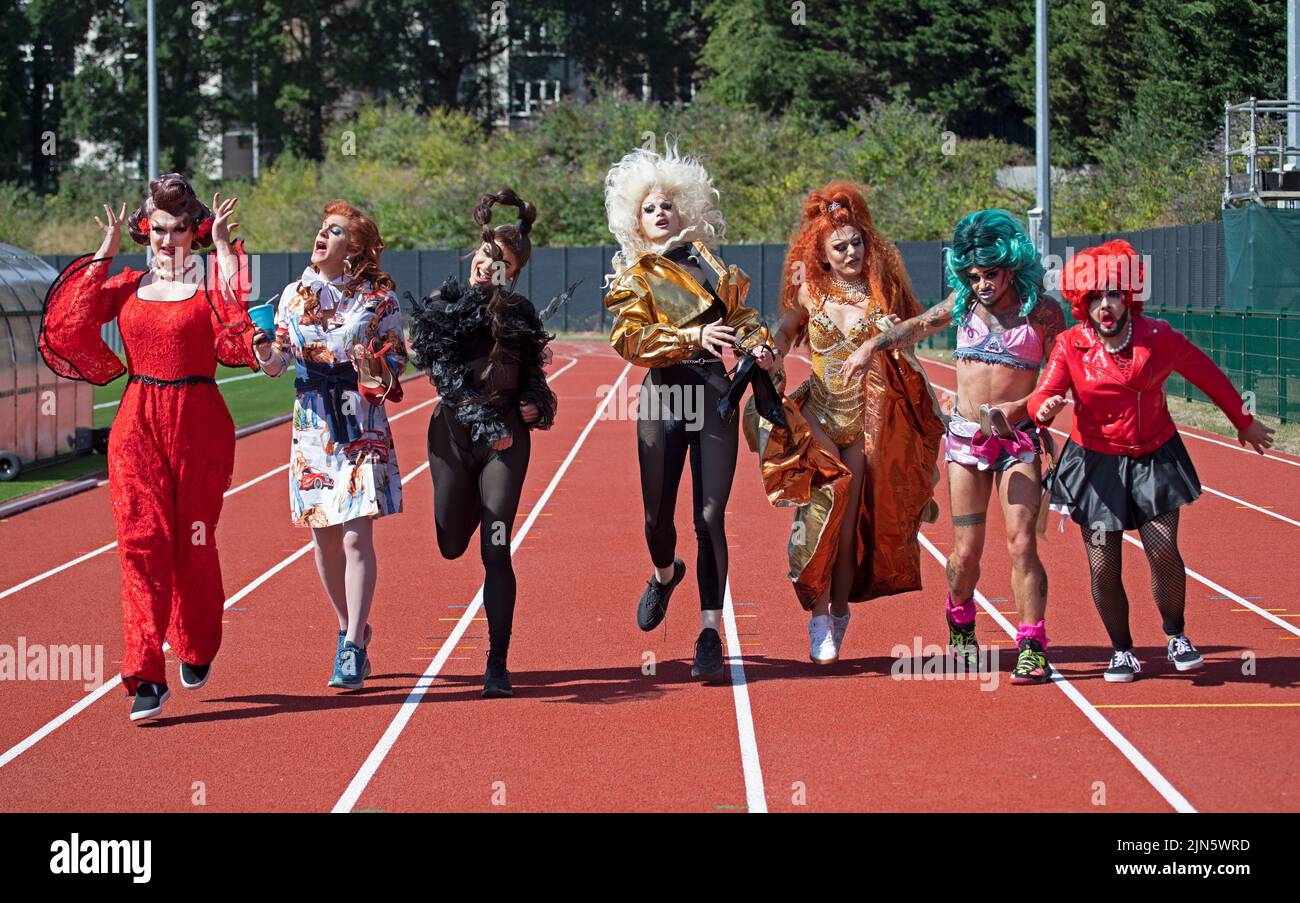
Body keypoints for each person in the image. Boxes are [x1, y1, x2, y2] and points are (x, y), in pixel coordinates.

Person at [39, 173, 258, 721]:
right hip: (137, 421)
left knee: (193, 545)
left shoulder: (210, 286)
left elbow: (237, 329)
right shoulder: (130, 285)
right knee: (140, 545)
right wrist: (104, 254)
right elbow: (67, 322)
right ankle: (144, 676)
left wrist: (228, 247)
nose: (168, 239)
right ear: (146, 231)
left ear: (194, 232)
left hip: (200, 424)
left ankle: (197, 642)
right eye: (158, 229)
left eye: (180, 229)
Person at [1028, 239, 1274, 681]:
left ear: (1129, 297)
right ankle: (1122, 649)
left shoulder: (1157, 337)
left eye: (1115, 294)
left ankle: (1176, 633)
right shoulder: (1069, 344)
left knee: (1162, 549)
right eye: (1097, 296)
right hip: (1094, 464)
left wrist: (1242, 419)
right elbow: (1043, 393)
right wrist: (1043, 409)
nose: (1106, 304)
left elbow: (1208, 374)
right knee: (1103, 563)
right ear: (1083, 301)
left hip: (1153, 456)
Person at [841, 210, 1067, 683]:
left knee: (1023, 542)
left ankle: (1031, 642)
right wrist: (871, 347)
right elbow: (919, 325)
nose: (981, 283)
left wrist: (1034, 407)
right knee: (966, 552)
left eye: (991, 274)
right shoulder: (962, 303)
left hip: (1017, 442)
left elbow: (1063, 371)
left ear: (1013, 265)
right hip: (967, 441)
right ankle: (960, 620)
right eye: (972, 274)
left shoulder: (1042, 312)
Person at [603, 145, 779, 680]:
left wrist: (760, 344)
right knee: (658, 517)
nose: (660, 213)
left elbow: (745, 318)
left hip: (714, 396)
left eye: (667, 205)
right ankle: (664, 574)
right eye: (649, 208)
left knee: (709, 517)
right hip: (662, 398)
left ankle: (710, 632)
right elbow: (628, 340)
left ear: (685, 210)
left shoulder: (711, 264)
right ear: (635, 220)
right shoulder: (633, 277)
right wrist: (692, 334)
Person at [757, 181, 944, 663]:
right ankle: (818, 613)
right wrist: (768, 351)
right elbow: (784, 330)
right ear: (820, 253)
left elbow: (910, 340)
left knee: (846, 527)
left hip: (865, 425)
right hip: (819, 414)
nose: (850, 252)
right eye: (839, 246)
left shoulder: (882, 292)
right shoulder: (809, 290)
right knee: (826, 502)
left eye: (856, 242)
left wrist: (888, 341)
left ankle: (839, 611)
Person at [408, 189, 557, 699]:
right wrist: (475, 419)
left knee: (497, 544)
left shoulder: (520, 313)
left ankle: (498, 660)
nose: (486, 264)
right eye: (484, 253)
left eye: (501, 261)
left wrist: (536, 405)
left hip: (504, 443)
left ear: (512, 273)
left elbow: (535, 376)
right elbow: (442, 374)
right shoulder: (441, 306)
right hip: (452, 436)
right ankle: (465, 498)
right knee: (451, 545)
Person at [253, 200, 408, 690]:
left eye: (335, 231)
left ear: (355, 247)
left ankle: (352, 647)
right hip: (313, 427)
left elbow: (397, 363)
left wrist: (375, 368)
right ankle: (351, 623)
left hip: (360, 422)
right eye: (322, 228)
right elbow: (278, 363)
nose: (322, 235)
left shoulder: (378, 299)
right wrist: (263, 353)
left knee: (356, 536)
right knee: (324, 541)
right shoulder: (293, 294)